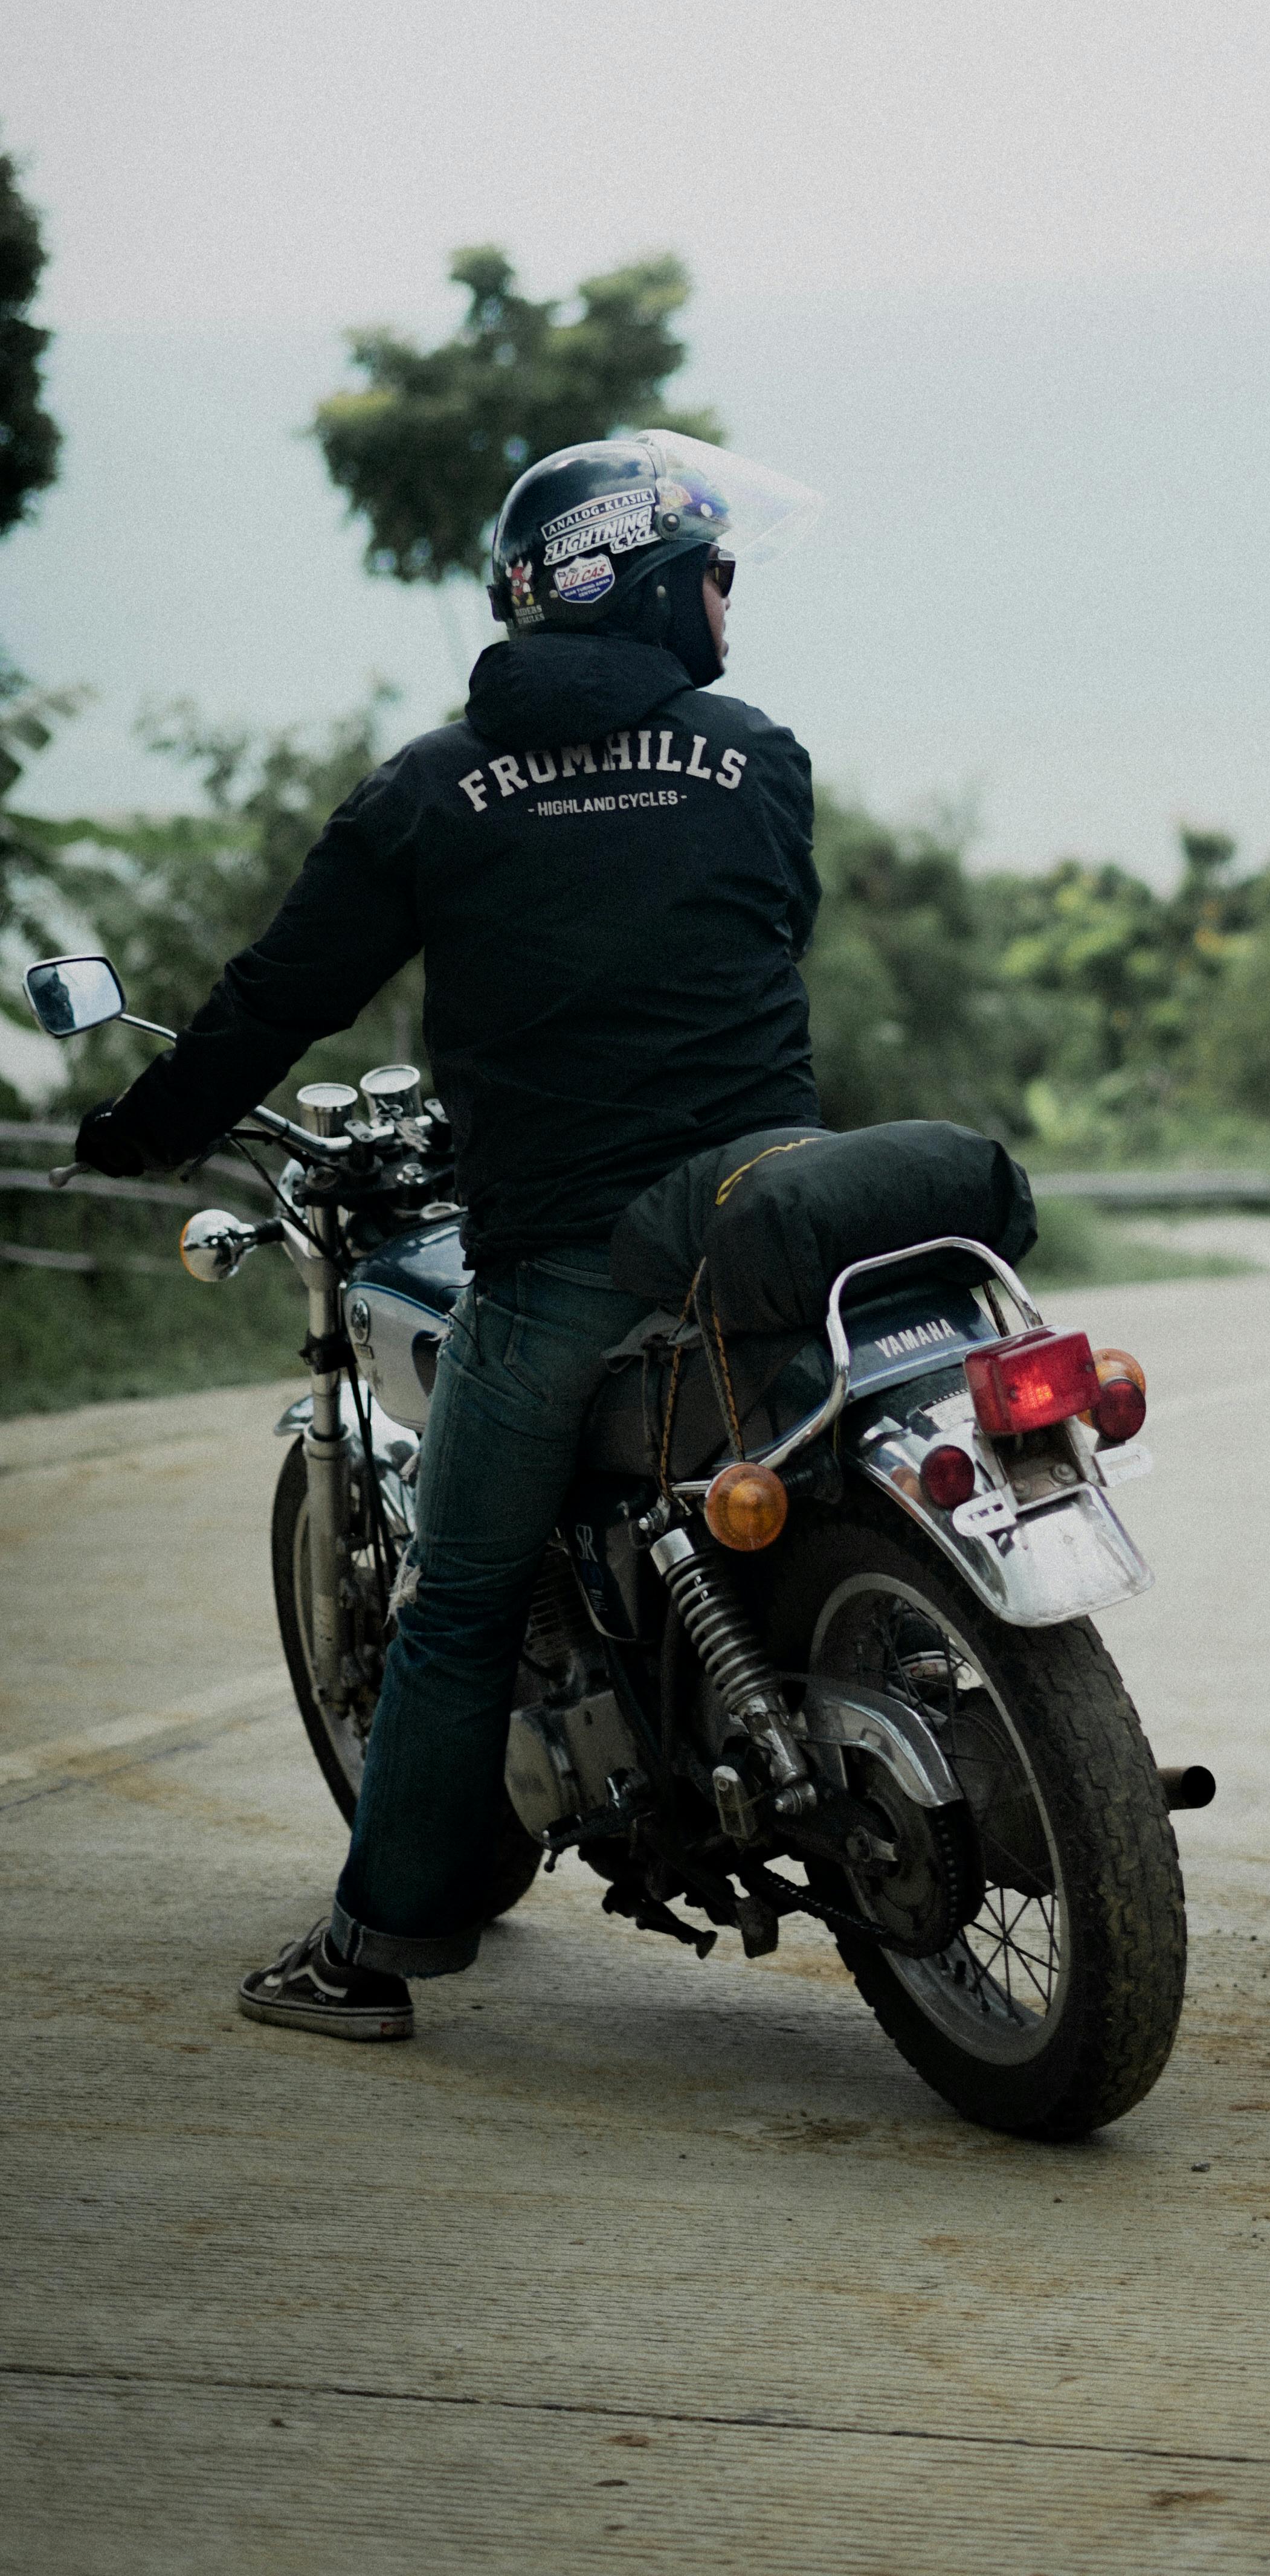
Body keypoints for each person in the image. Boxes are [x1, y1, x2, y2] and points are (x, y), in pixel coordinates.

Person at [76, 430, 824, 2040]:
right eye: (716, 573)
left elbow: (282, 996)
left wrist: (145, 1130)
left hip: (570, 1262)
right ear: (649, 588)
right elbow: (766, 939)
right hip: (781, 1222)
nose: (728, 601)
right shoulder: (756, 753)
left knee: (460, 1602)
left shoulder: (430, 791)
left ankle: (374, 1950)